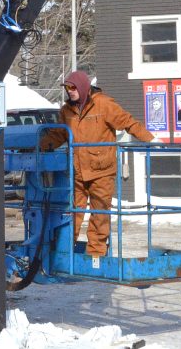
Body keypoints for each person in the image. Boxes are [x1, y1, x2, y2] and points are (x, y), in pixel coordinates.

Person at [41, 70, 155, 258]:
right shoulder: (66, 111)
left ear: (83, 87)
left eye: (73, 87)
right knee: (71, 212)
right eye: (67, 88)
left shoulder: (103, 103)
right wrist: (36, 146)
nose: (70, 91)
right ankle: (64, 251)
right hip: (77, 171)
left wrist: (150, 139)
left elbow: (128, 122)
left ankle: (96, 254)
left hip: (101, 171)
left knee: (100, 214)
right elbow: (57, 134)